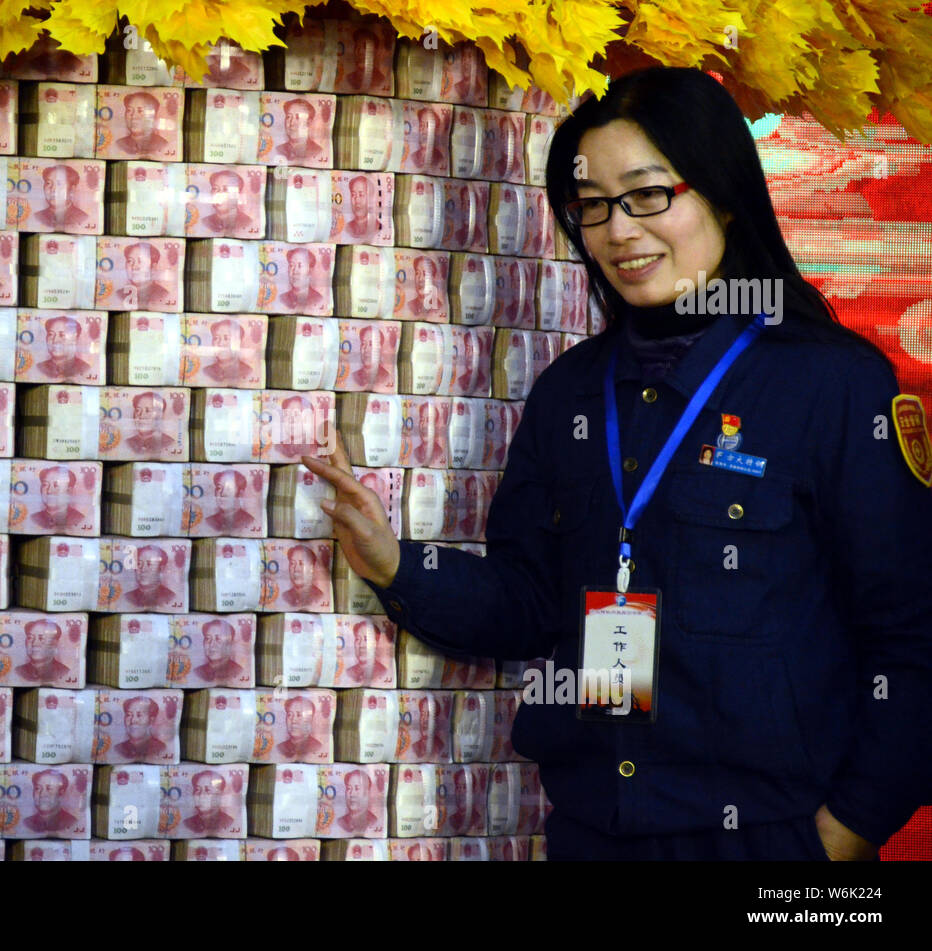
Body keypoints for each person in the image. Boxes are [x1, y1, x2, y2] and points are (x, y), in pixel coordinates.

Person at [303, 67, 932, 862]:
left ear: (723, 195)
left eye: (647, 194)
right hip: (595, 833)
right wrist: (398, 565)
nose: (619, 231)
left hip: (772, 843)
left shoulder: (833, 383)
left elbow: (912, 635)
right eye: (592, 206)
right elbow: (531, 602)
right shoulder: (572, 390)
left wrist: (845, 832)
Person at [31, 466, 88, 534]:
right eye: (45, 485)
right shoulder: (34, 518)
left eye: (56, 485)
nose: (49, 491)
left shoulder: (79, 519)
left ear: (69, 491)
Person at [33, 165, 91, 231]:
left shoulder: (82, 218)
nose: (53, 189)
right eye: (48, 183)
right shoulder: (37, 217)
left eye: (59, 184)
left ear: (72, 189)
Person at [201, 319, 255, 385]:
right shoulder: (206, 371)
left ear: (238, 343)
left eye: (226, 338)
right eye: (216, 338)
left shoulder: (247, 371)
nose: (220, 343)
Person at [192, 617, 246, 682]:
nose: (211, 644)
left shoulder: (238, 671)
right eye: (208, 638)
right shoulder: (197, 672)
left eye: (218, 639)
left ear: (229, 645)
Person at [115, 91, 169, 156]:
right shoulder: (119, 144)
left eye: (140, 111)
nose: (134, 116)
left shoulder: (162, 145)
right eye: (129, 110)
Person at [124, 390, 178, 456]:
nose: (141, 416)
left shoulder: (169, 443)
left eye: (148, 410)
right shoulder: (127, 443)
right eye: (138, 410)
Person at [37, 316, 92, 380]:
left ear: (75, 339)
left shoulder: (84, 368)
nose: (55, 340)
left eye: (62, 335)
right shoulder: (39, 368)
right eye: (51, 334)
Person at [203, 469, 256, 534]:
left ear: (240, 493)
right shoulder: (209, 522)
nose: (222, 494)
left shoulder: (249, 521)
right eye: (219, 488)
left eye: (229, 489)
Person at [124, 544, 177, 610]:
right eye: (139, 563)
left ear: (161, 569)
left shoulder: (170, 597)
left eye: (149, 564)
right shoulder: (128, 597)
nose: (143, 569)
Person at [202, 170, 253, 235]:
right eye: (215, 188)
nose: (218, 194)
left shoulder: (247, 222)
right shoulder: (205, 222)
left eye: (225, 189)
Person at [121, 242, 170, 310]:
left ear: (153, 267)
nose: (134, 267)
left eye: (141, 261)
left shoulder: (163, 295)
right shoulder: (120, 294)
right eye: (130, 261)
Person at [184, 770, 234, 834]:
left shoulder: (228, 822)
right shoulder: (187, 824)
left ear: (220, 795)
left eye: (208, 790)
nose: (201, 795)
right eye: (197, 790)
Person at [275, 99, 325, 163]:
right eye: (288, 117)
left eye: (298, 117)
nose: (291, 123)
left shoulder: (317, 151)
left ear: (309, 123)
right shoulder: (278, 150)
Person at [276, 696, 324, 760]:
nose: (293, 720)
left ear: (311, 720)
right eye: (289, 715)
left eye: (299, 715)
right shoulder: (280, 748)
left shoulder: (317, 748)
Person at [278, 247, 325, 312]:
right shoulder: (282, 299)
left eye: (300, 266)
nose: (295, 271)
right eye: (291, 265)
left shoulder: (318, 299)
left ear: (310, 270)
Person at [280, 544, 324, 609]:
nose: (296, 569)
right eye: (292, 563)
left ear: (311, 568)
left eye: (301, 564)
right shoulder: (285, 597)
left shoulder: (319, 596)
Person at [336, 769, 378, 834]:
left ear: (367, 793)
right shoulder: (341, 822)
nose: (352, 794)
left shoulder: (374, 821)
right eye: (349, 788)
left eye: (357, 788)